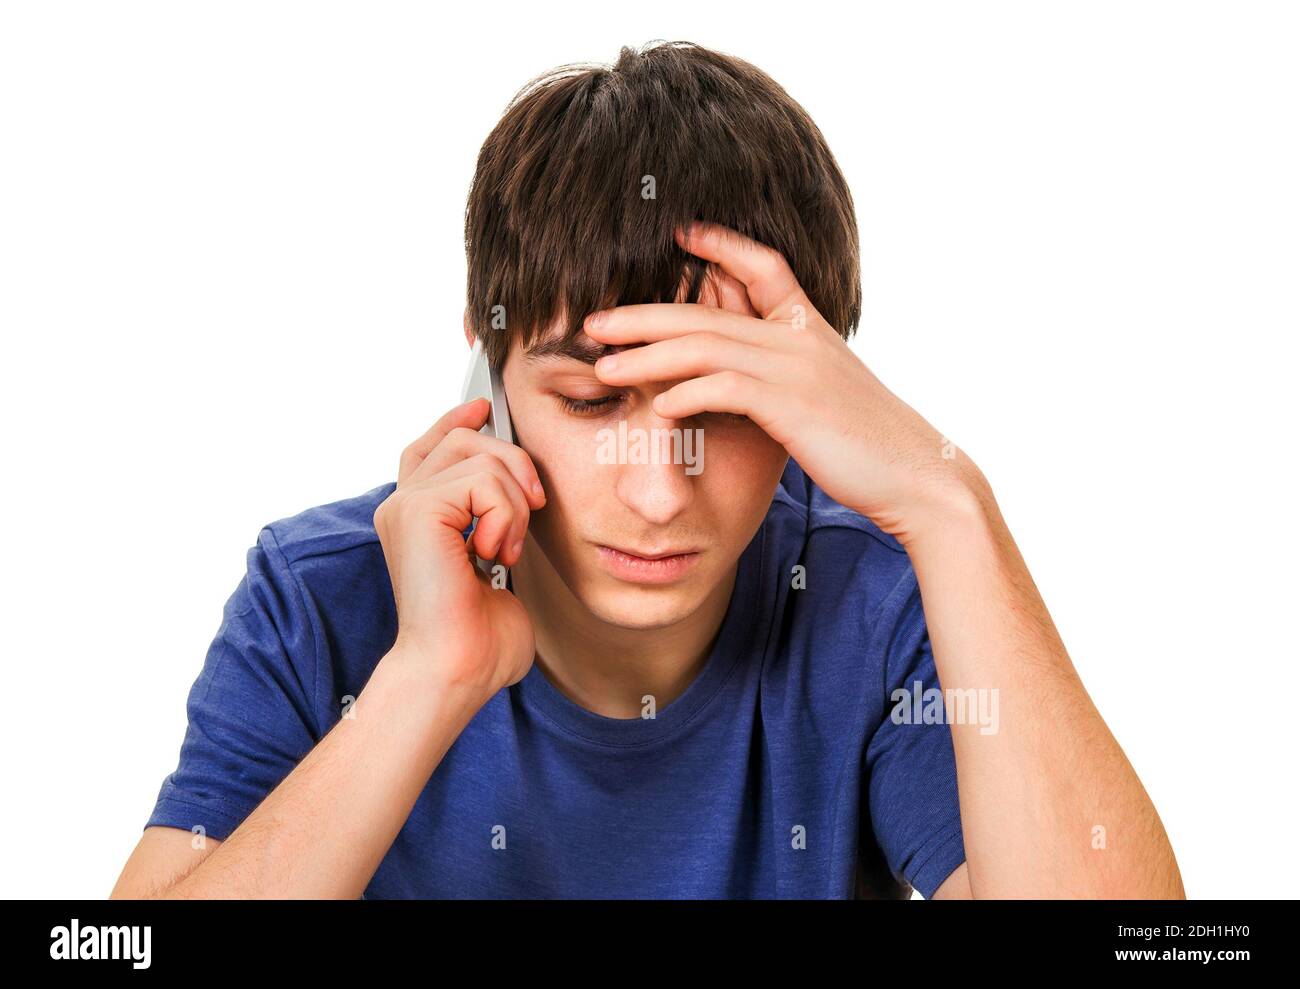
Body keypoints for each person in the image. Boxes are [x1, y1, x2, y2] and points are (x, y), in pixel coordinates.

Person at [112, 41, 1183, 899]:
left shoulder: (880, 596)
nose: (660, 491)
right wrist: (421, 683)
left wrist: (947, 502)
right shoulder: (320, 595)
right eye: (587, 403)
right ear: (491, 368)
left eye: (724, 410)